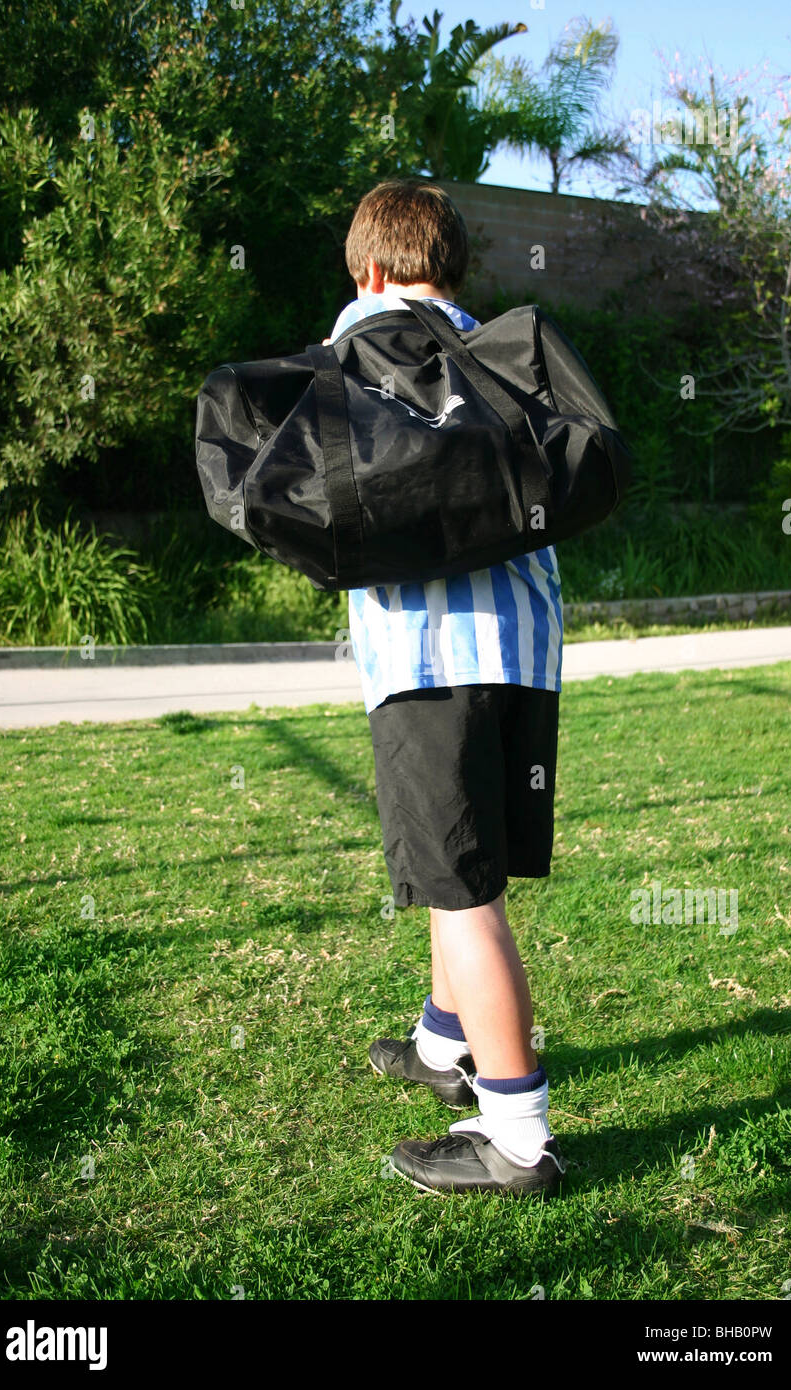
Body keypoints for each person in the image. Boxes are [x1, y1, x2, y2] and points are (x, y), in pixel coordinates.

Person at [326, 180, 566, 1195]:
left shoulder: (370, 336)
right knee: (455, 863)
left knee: (463, 893)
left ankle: (516, 1138)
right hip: (521, 649)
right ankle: (441, 1044)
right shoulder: (493, 354)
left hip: (430, 659)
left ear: (373, 273)